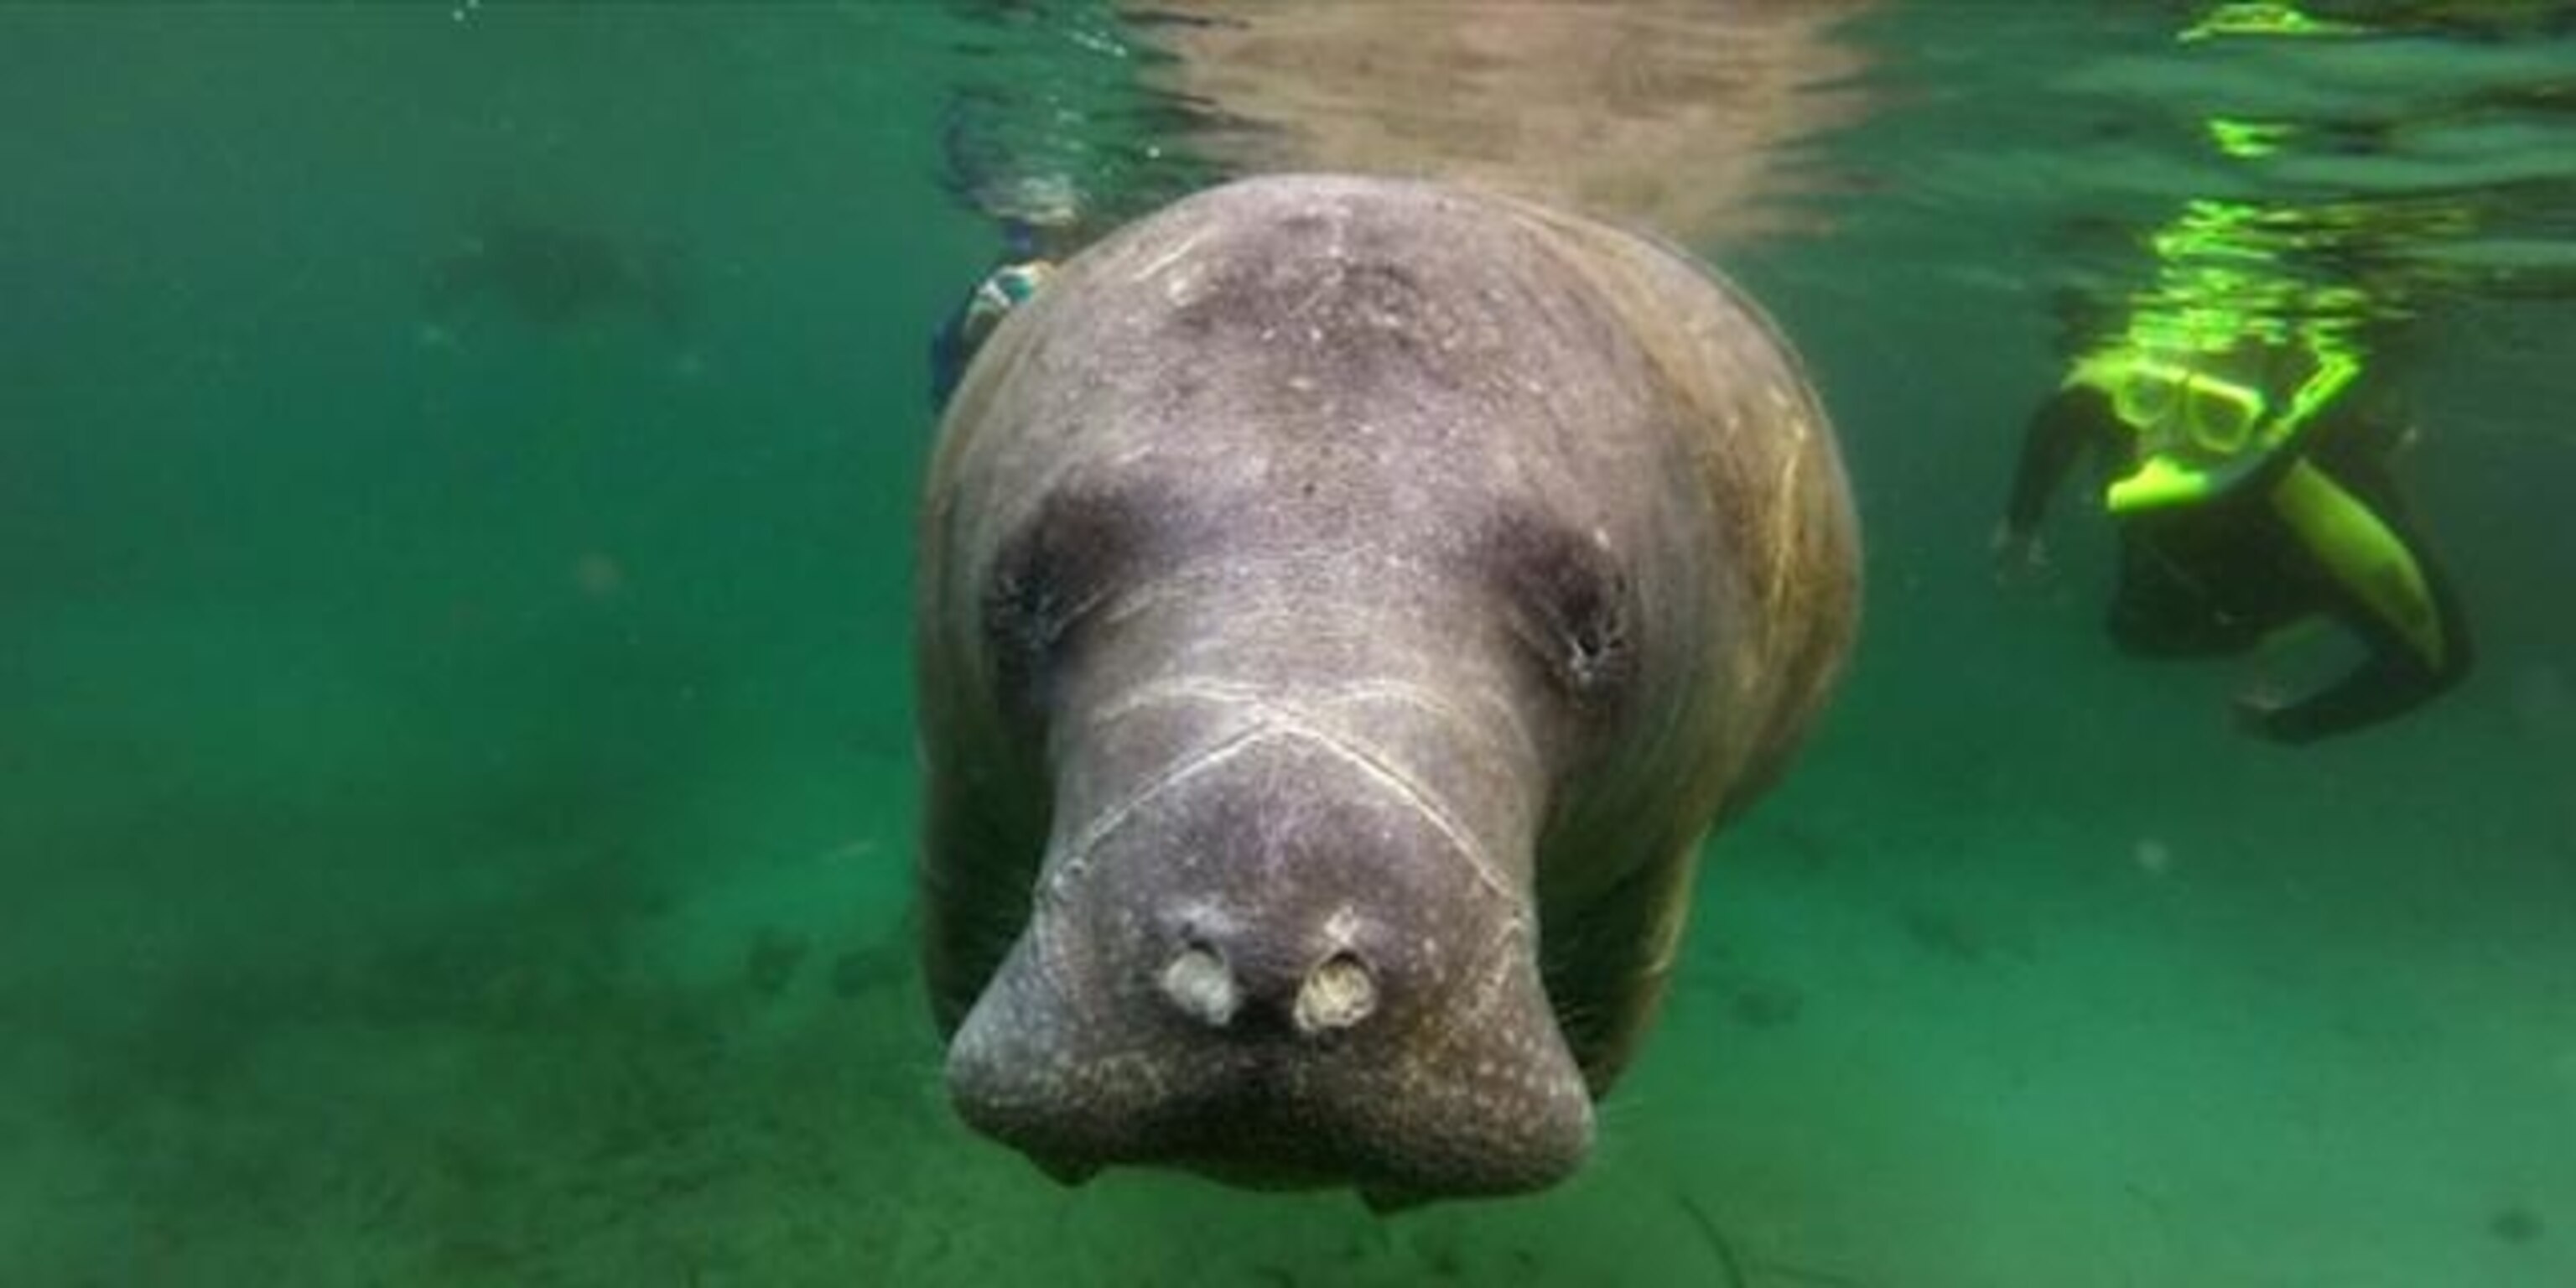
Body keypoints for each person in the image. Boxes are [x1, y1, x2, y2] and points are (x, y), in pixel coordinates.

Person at [1993, 238, 2473, 745]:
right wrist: (2021, 521)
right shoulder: (2113, 391)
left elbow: (2440, 660)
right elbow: (2066, 411)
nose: (2168, 441)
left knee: (2152, 630)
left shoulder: (2325, 509)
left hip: (2251, 612)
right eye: (2150, 398)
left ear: (2270, 420)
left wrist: (2284, 726)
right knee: (2136, 631)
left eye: (2217, 414)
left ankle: (2385, 426)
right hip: (2172, 598)